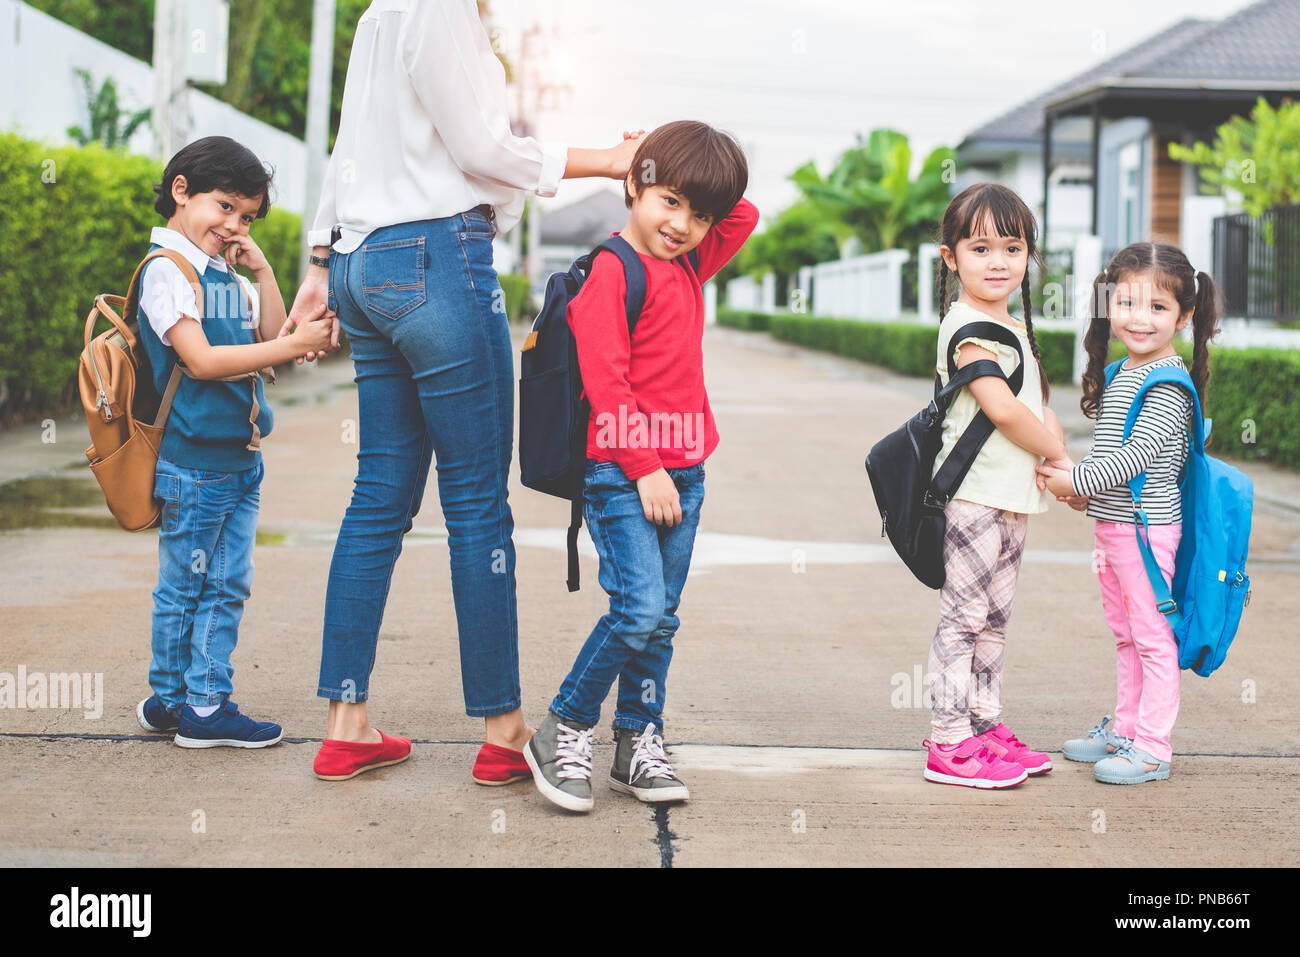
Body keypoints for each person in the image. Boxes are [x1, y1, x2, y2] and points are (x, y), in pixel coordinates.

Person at [281, 0, 647, 782]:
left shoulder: (382, 11)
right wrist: (607, 159)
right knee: (477, 503)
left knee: (378, 496)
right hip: (437, 258)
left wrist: (321, 260)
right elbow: (481, 148)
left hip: (362, 260)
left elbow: (350, 146)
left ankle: (346, 724)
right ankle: (504, 729)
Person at [524, 120, 757, 813]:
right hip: (625, 473)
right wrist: (646, 466)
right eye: (670, 201)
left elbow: (744, 210)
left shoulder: (688, 260)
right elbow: (607, 383)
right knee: (637, 609)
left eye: (698, 213)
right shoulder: (611, 272)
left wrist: (675, 149)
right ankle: (565, 724)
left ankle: (637, 740)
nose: (684, 224)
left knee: (662, 619)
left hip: (687, 472)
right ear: (635, 186)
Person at [135, 135, 334, 747]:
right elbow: (200, 360)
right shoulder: (169, 272)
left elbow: (271, 330)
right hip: (196, 464)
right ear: (181, 192)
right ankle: (204, 706)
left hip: (234, 460)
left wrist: (265, 270)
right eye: (223, 207)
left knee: (194, 584)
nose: (233, 225)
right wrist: (293, 347)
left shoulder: (220, 271)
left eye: (245, 217)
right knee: (214, 585)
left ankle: (170, 699)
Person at [1037, 242, 1217, 785]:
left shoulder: (1165, 384)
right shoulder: (1125, 371)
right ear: (1108, 304)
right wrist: (1084, 494)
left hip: (1146, 535)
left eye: (1158, 308)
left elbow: (1132, 459)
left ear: (1184, 316)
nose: (1140, 319)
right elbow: (1111, 451)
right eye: (1129, 304)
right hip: (1115, 530)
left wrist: (1076, 481)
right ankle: (1125, 729)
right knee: (1126, 634)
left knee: (1154, 639)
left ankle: (1153, 749)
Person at [920, 182, 1068, 789]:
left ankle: (984, 728)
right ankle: (948, 740)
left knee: (994, 621)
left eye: (1012, 247)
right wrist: (1063, 459)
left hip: (1011, 497)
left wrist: (1060, 462)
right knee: (964, 618)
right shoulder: (967, 327)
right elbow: (1005, 412)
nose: (999, 261)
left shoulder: (1010, 323)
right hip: (975, 496)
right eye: (980, 248)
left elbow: (1039, 403)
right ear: (950, 257)